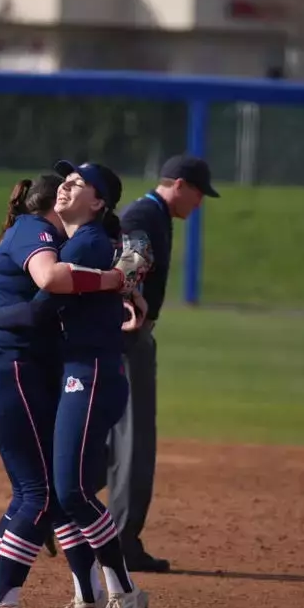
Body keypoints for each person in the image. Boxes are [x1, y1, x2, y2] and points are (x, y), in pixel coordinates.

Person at [0, 160, 151, 608]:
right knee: (64, 493)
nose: (66, 186)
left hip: (90, 373)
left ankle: (121, 594)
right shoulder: (82, 242)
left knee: (69, 493)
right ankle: (92, 598)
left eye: (79, 183)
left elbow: (42, 304)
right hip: (83, 370)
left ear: (98, 202)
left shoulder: (87, 242)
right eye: (66, 180)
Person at [106, 154, 220, 573]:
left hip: (128, 334)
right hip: (128, 336)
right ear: (180, 185)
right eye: (199, 193)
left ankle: (51, 507)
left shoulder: (154, 213)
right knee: (134, 440)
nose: (200, 203)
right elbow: (131, 257)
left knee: (116, 441)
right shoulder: (143, 214)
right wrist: (130, 299)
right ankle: (121, 542)